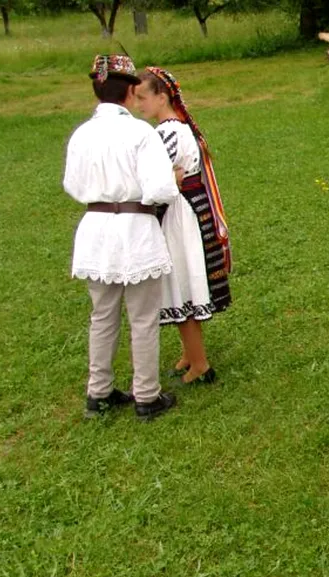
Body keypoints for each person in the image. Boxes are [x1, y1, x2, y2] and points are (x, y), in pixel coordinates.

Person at [64, 54, 180, 421]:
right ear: (131, 91)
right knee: (143, 317)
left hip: (96, 231)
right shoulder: (140, 133)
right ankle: (146, 395)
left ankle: (98, 393)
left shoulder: (82, 134)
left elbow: (73, 185)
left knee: (102, 316)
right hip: (134, 229)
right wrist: (170, 185)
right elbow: (160, 187)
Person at [136, 67, 233, 385]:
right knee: (182, 283)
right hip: (183, 210)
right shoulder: (175, 128)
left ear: (161, 97)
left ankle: (201, 364)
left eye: (142, 97)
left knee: (181, 286)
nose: (138, 105)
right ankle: (190, 354)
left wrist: (161, 183)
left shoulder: (169, 132)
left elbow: (152, 181)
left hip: (180, 214)